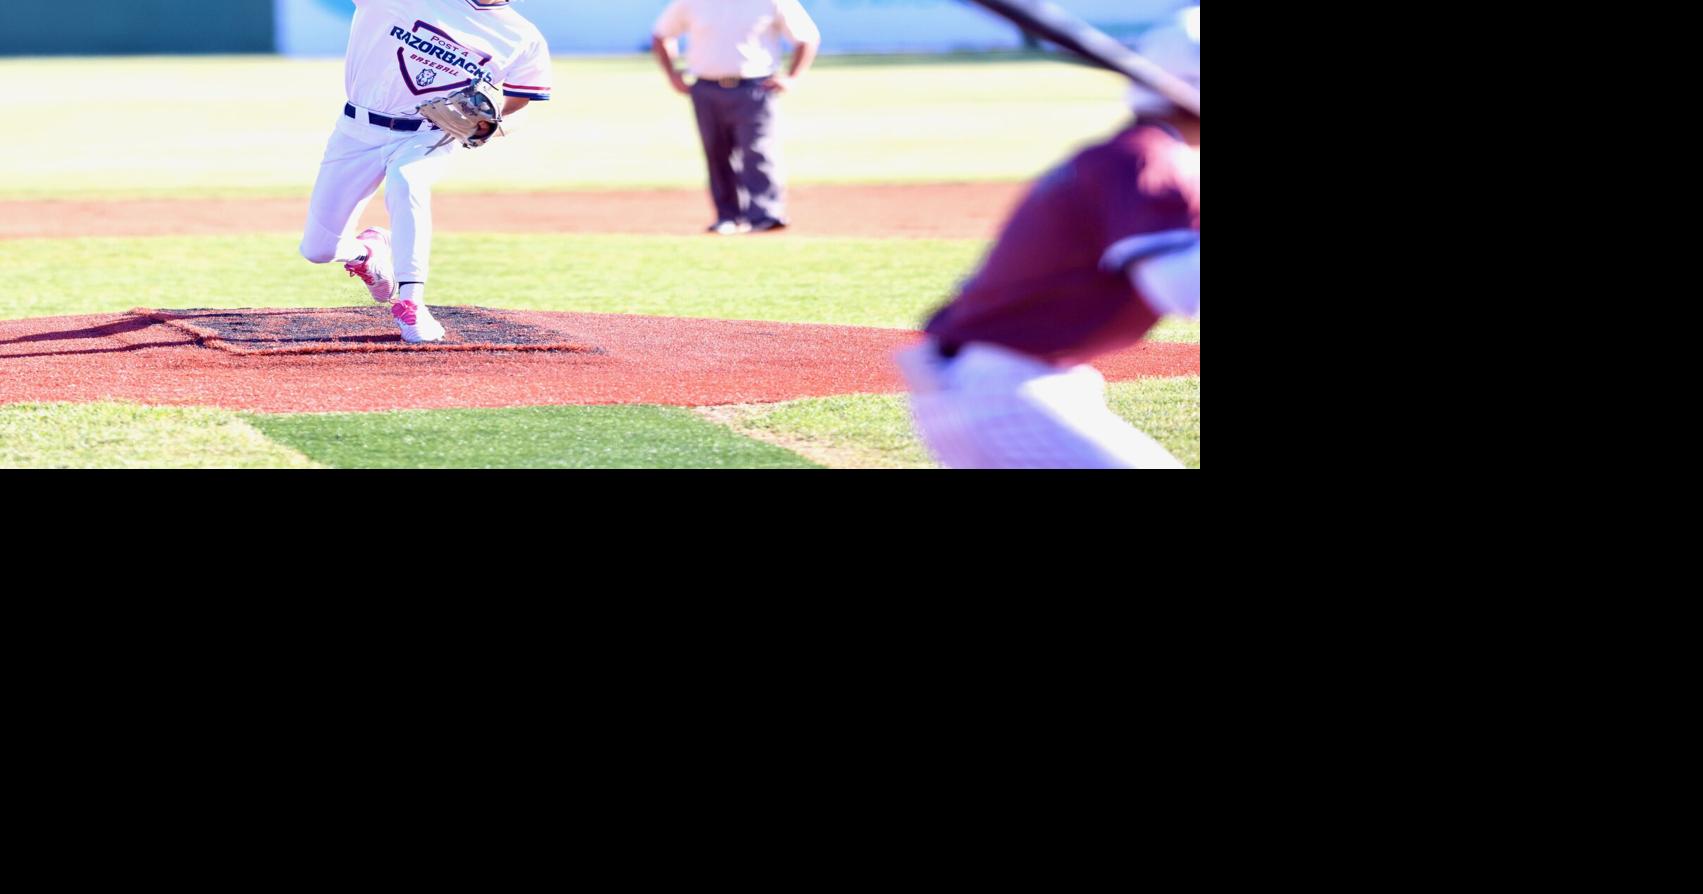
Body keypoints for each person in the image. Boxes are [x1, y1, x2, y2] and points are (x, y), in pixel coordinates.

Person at [895, 12, 1199, 469]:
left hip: (1016, 379)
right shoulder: (1149, 162)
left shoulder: (1133, 155)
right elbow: (1183, 291)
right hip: (1004, 389)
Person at [298, 0, 552, 342]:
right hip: (356, 130)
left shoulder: (522, 37)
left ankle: (411, 302)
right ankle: (367, 253)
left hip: (429, 134)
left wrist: (490, 124)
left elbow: (520, 103)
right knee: (318, 250)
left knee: (408, 181)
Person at [650, 0, 820, 235]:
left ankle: (765, 215)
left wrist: (793, 77)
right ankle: (728, 216)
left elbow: (806, 37)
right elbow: (661, 34)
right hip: (706, 87)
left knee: (758, 150)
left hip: (755, 86)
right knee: (716, 151)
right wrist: (672, 75)